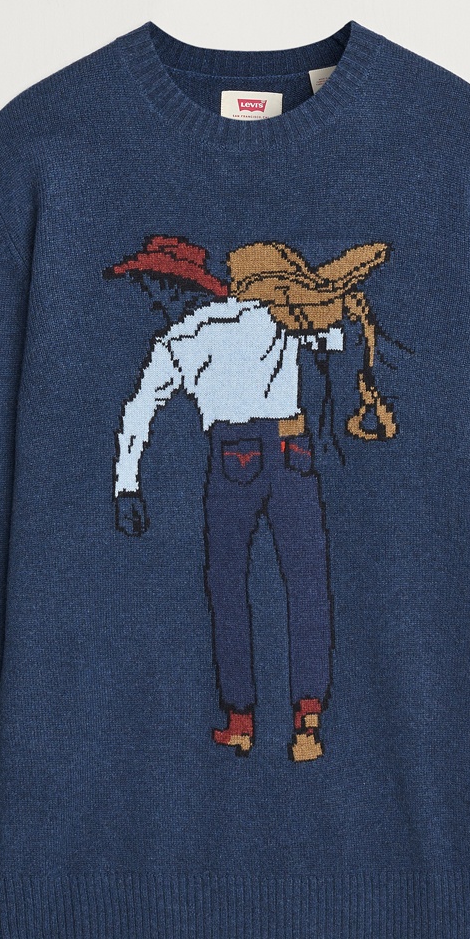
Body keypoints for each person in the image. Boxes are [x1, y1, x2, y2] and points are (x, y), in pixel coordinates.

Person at [104, 236, 396, 760]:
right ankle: (308, 722)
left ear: (174, 288)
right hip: (292, 449)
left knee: (228, 587)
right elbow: (334, 340)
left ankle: (240, 721)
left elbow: (141, 407)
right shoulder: (277, 318)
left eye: (151, 285)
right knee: (307, 584)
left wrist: (128, 481)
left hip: (234, 457)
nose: (149, 296)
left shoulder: (184, 336)